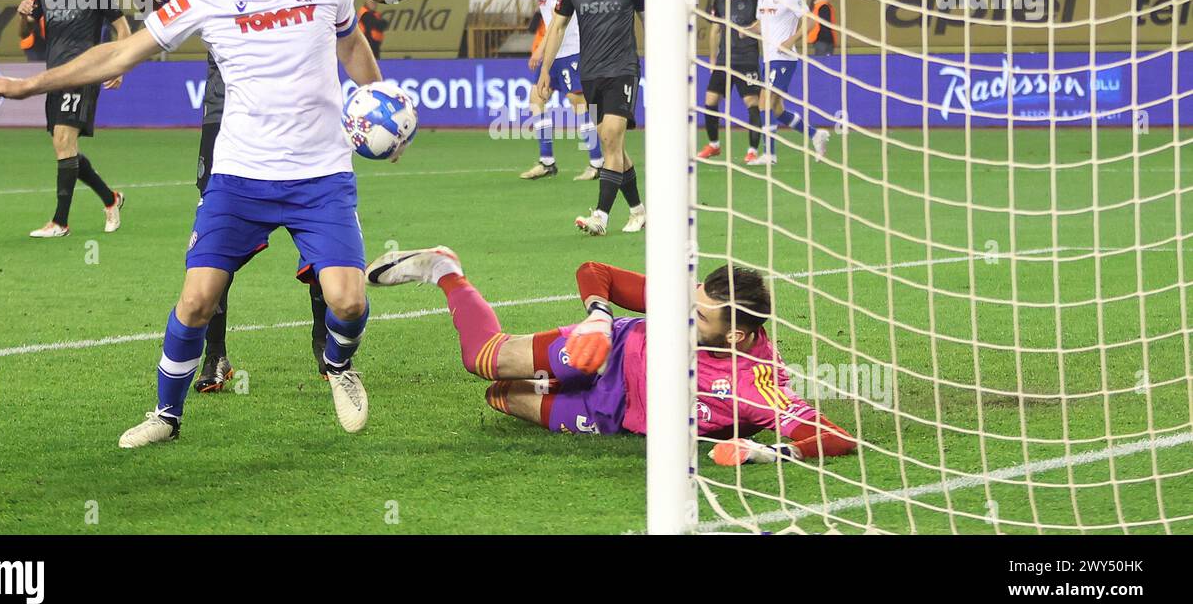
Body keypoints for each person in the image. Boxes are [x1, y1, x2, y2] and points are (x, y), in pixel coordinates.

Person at [0, 0, 386, 444]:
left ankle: (339, 366)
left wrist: (383, 106)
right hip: (239, 175)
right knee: (195, 301)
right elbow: (118, 54)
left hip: (321, 174)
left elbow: (352, 44)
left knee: (349, 299)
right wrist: (26, 86)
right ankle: (166, 417)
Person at [126, 0, 479, 394]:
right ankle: (215, 355)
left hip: (310, 124)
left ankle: (326, 348)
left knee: (324, 247)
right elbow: (166, 13)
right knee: (212, 249)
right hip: (231, 115)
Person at [365, 246, 857, 464]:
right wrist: (599, 317)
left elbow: (835, 438)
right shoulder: (690, 298)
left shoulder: (756, 382)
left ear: (734, 339)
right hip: (607, 349)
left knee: (503, 397)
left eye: (700, 318)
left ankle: (546, 389)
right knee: (483, 361)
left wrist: (766, 451)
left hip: (612, 413)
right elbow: (594, 269)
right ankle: (444, 269)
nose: (686, 315)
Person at [536, 0, 645, 235]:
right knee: (613, 145)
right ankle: (638, 211)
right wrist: (545, 70)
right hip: (591, 73)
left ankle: (601, 215)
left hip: (623, 69)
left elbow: (647, 18)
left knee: (611, 135)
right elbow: (556, 28)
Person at [18, 0, 129, 238]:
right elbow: (25, 34)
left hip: (84, 72)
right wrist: (24, 16)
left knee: (65, 140)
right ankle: (110, 198)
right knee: (64, 147)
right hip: (54, 75)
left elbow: (122, 27)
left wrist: (121, 64)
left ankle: (60, 222)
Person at [520, 0, 603, 181]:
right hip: (555, 52)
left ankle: (597, 163)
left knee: (578, 103)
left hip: (569, 50)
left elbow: (558, 20)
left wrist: (539, 50)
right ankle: (547, 162)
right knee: (537, 98)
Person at [753, 0, 831, 165]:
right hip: (768, 58)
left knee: (764, 101)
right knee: (777, 109)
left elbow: (811, 20)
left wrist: (790, 40)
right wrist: (745, 31)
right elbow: (762, 24)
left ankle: (769, 154)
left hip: (783, 58)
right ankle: (815, 134)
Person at [697, 0, 766, 165]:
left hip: (747, 59)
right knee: (710, 100)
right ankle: (714, 145)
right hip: (724, 60)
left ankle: (753, 150)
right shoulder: (719, 1)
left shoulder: (755, 0)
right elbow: (715, 30)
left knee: (752, 103)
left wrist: (749, 30)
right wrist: (712, 59)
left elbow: (762, 24)